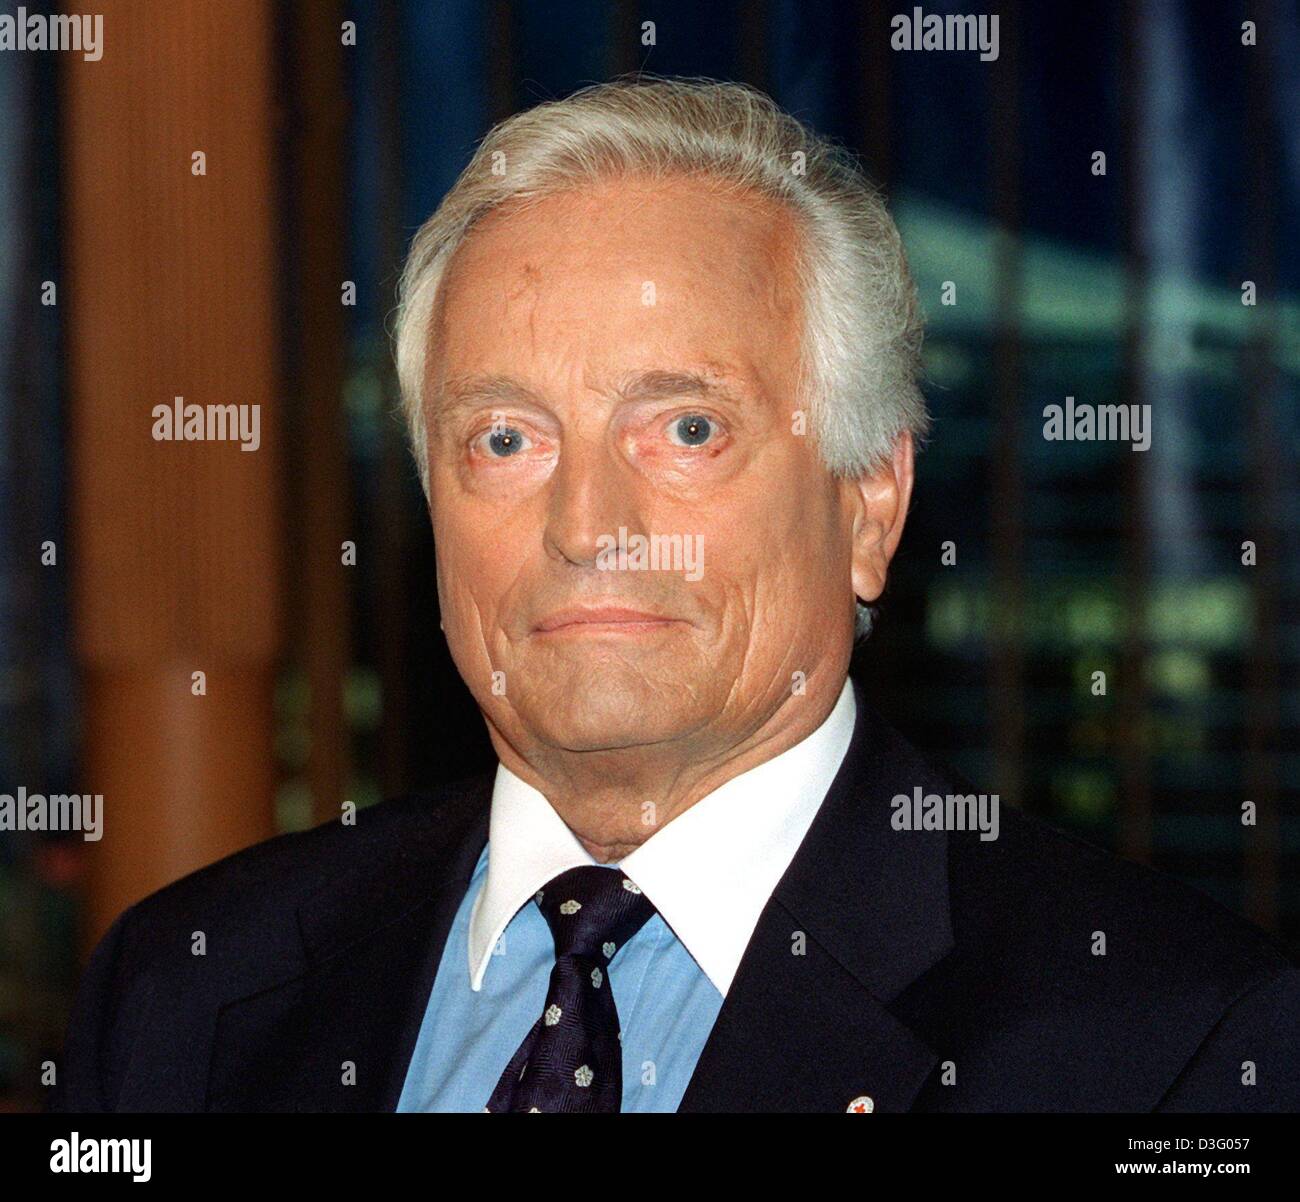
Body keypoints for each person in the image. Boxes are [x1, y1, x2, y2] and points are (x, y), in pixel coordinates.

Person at [54, 78, 1297, 1113]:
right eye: (504, 439)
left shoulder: (1171, 1044)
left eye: (687, 428)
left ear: (870, 502)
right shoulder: (186, 993)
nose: (587, 524)